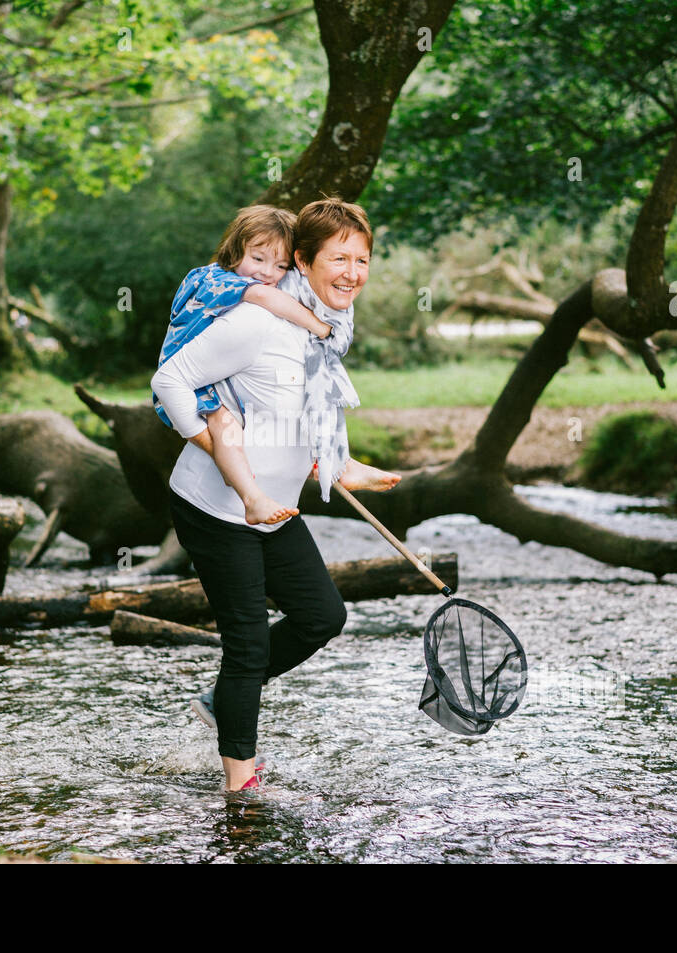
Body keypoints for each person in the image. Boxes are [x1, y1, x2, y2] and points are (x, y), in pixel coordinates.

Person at [150, 197, 400, 792]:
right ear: (304, 263)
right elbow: (170, 379)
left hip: (273, 507)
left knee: (322, 615)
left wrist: (341, 466)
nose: (352, 272)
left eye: (362, 259)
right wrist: (210, 442)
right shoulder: (257, 321)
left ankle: (220, 703)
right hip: (216, 507)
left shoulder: (325, 334)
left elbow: (296, 421)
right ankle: (240, 783)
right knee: (248, 641)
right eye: (338, 258)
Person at [150, 205, 333, 526]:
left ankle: (332, 463)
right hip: (192, 383)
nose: (266, 272)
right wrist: (322, 327)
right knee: (227, 427)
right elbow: (269, 299)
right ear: (235, 250)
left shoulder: (221, 280)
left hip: (206, 375)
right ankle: (252, 498)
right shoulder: (219, 280)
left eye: (280, 265)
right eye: (258, 258)